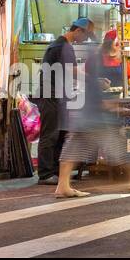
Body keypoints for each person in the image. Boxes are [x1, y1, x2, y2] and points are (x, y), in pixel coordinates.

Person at [56, 28, 130, 197]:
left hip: (91, 112)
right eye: (117, 43)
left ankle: (62, 186)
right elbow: (96, 92)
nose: (118, 47)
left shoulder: (116, 59)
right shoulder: (95, 61)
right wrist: (116, 108)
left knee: (74, 147)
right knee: (116, 145)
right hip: (96, 114)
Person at [35, 17, 93, 185]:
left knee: (60, 134)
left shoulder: (63, 45)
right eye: (86, 35)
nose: (86, 39)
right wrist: (93, 79)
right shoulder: (62, 46)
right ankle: (45, 174)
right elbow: (73, 71)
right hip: (51, 96)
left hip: (57, 96)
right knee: (50, 135)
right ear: (78, 31)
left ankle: (56, 172)